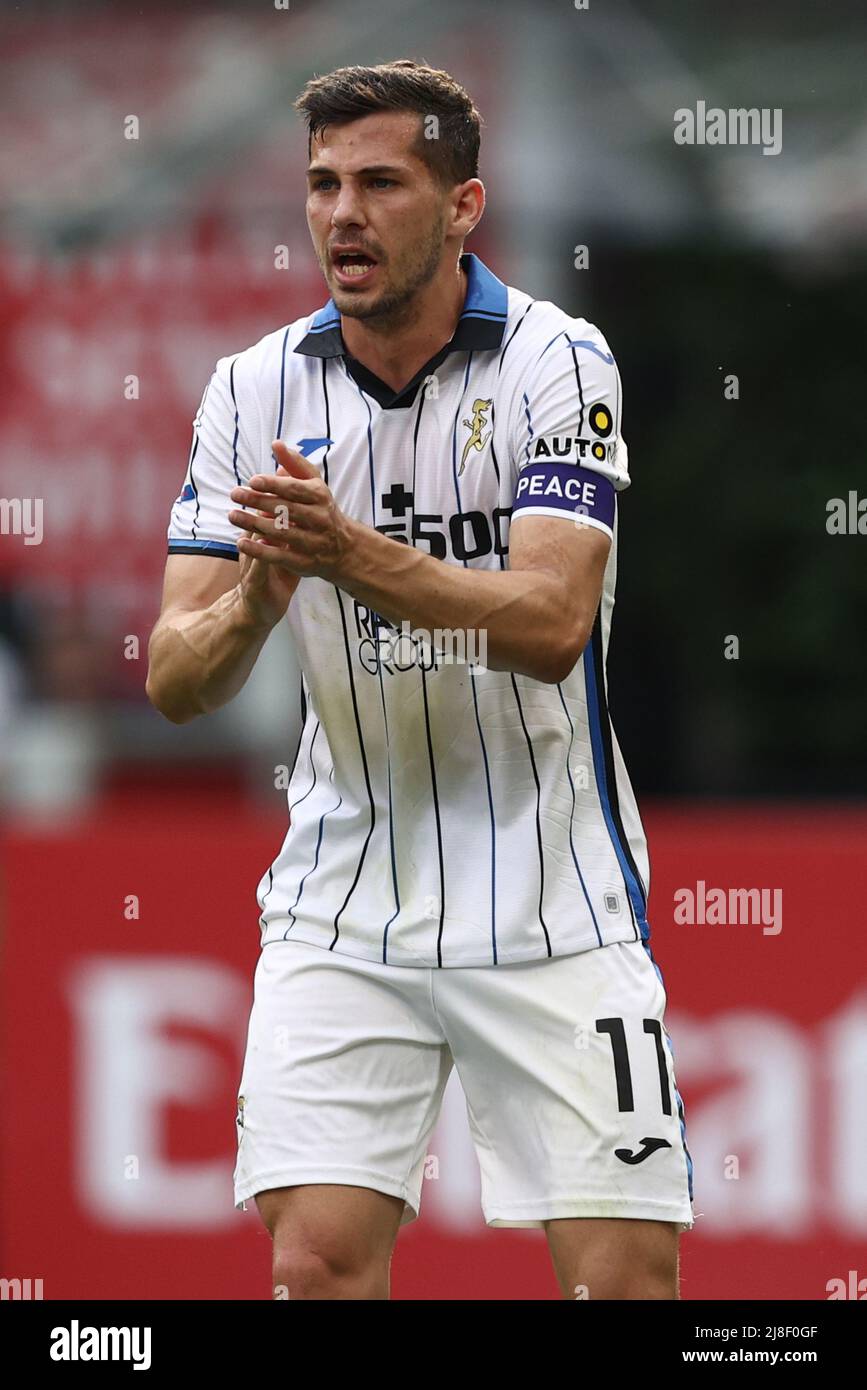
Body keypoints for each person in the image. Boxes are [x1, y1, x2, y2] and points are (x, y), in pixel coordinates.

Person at [146, 59, 694, 1300]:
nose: (343, 213)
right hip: (344, 897)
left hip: (557, 901)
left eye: (382, 182)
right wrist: (258, 596)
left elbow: (552, 620)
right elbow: (176, 680)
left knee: (629, 1281)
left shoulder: (560, 361)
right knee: (316, 1264)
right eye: (323, 184)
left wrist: (348, 554)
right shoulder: (251, 386)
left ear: (462, 207)